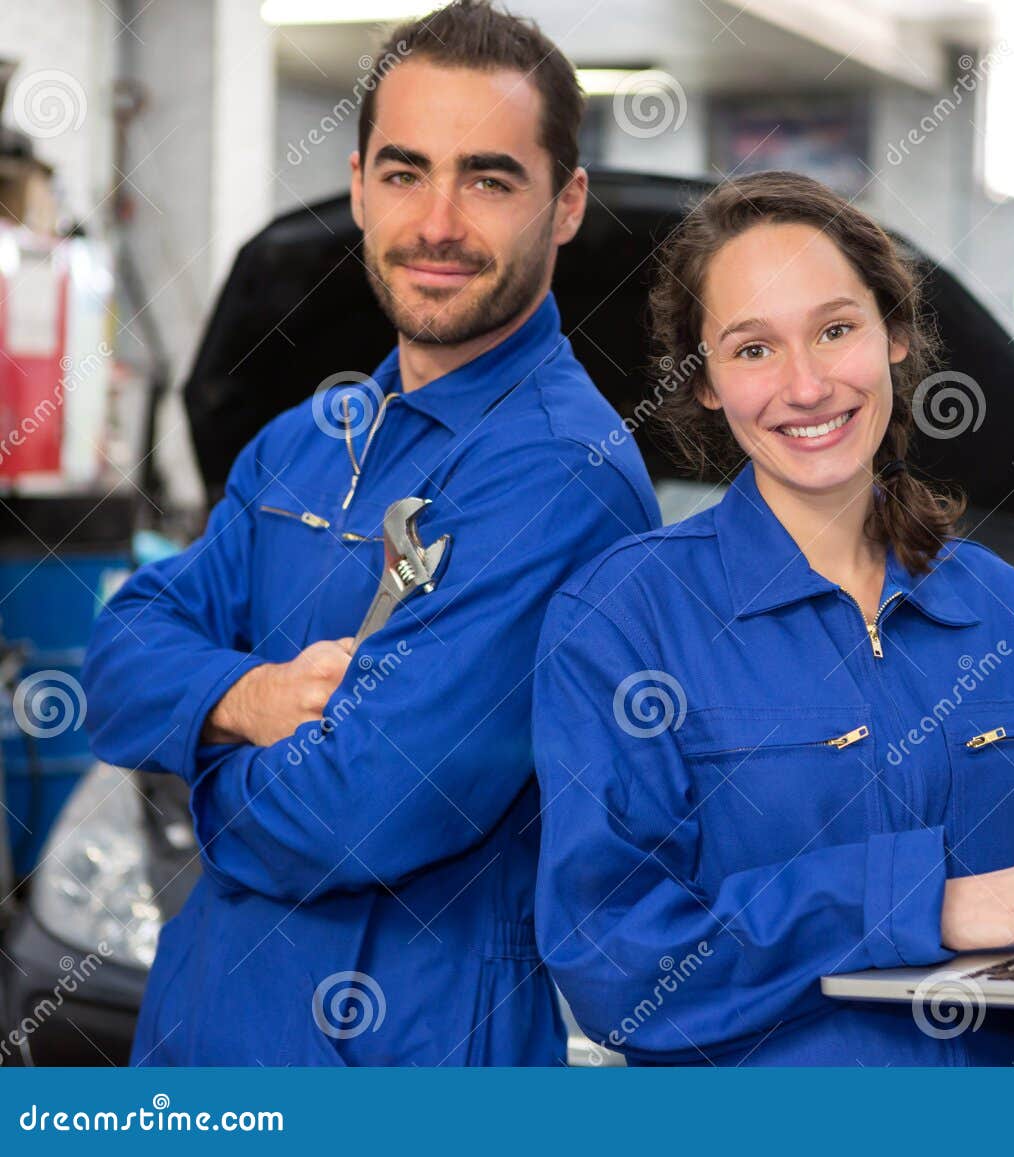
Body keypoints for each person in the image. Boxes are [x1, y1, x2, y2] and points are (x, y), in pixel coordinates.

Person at [530, 171, 1014, 1066]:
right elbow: (614, 960)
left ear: (896, 339)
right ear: (706, 384)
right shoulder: (626, 619)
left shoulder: (993, 607)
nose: (804, 386)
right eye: (753, 349)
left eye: (836, 330)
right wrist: (924, 903)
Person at [80, 1, 659, 1065]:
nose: (437, 220)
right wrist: (245, 697)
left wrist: (187, 762)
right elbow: (115, 653)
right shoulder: (303, 443)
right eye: (404, 172)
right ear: (357, 185)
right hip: (198, 1039)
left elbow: (359, 808)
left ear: (565, 203)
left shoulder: (561, 475)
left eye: (488, 178)